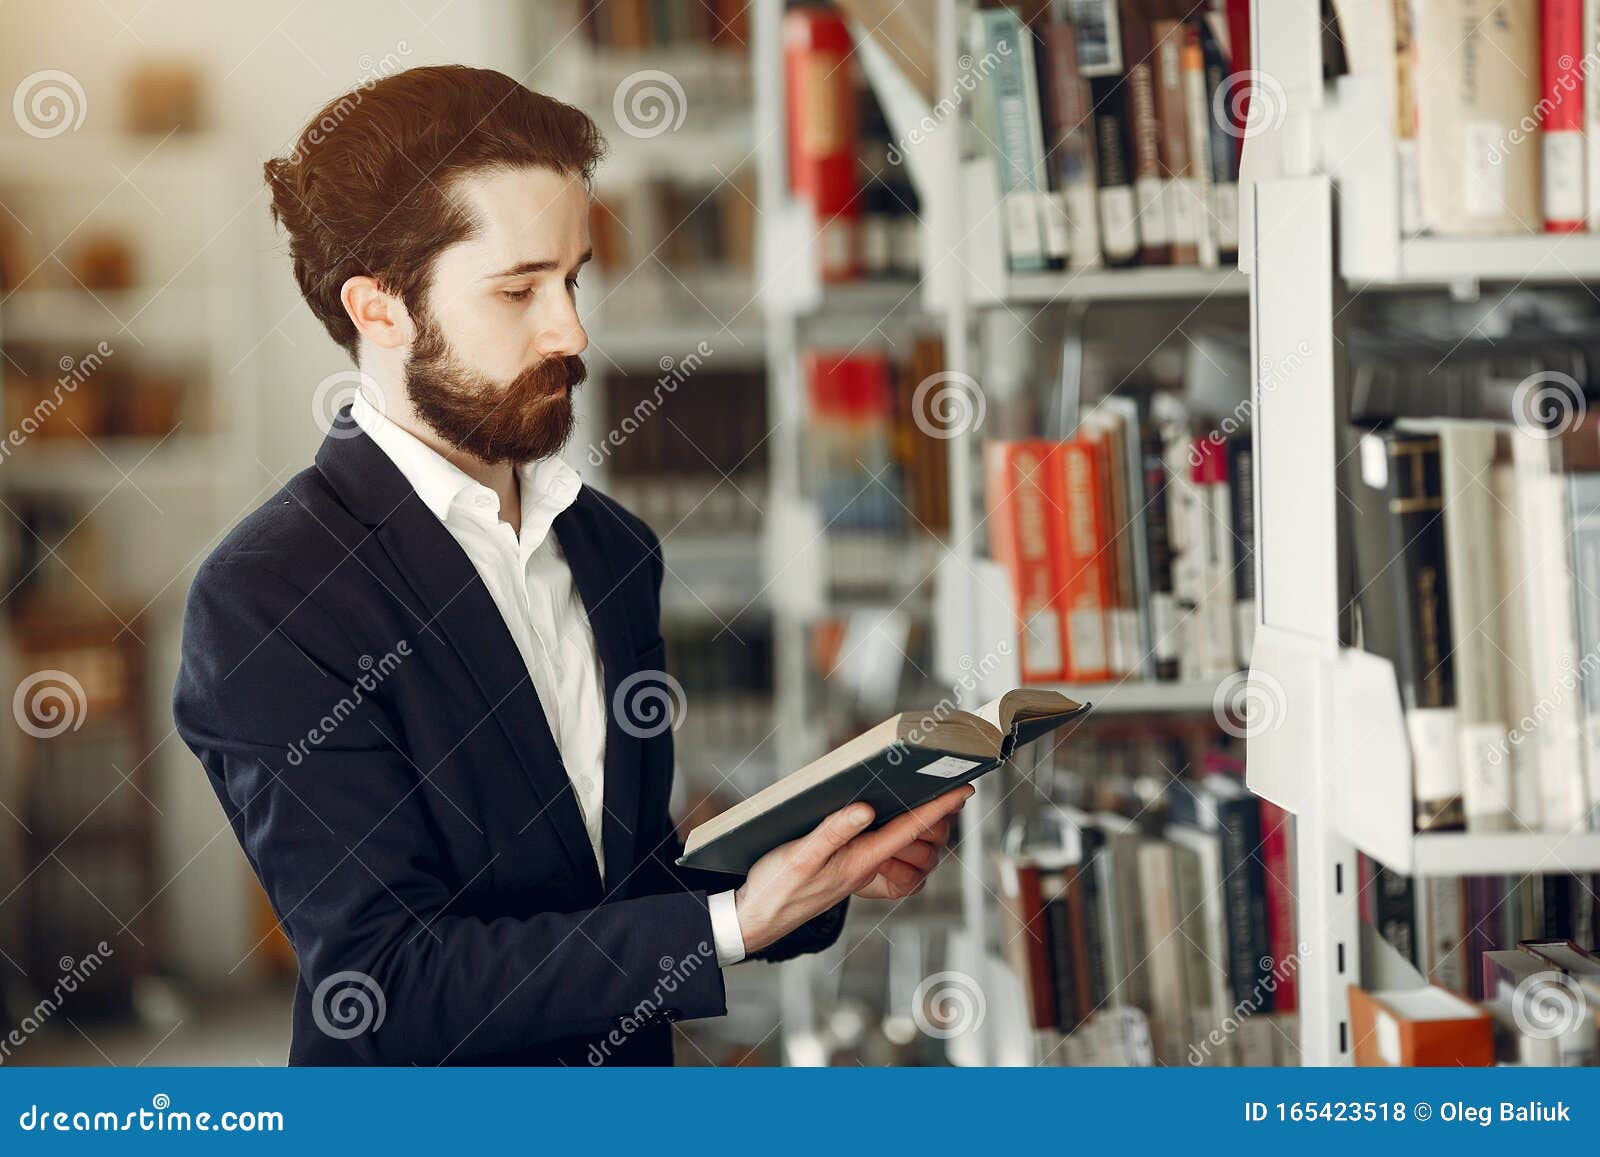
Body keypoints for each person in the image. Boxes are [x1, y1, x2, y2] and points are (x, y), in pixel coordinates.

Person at [172, 65, 970, 1066]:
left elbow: (606, 900)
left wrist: (814, 869)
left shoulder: (609, 548)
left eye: (575, 277)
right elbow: (380, 986)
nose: (572, 331)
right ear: (379, 310)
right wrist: (728, 926)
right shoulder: (269, 595)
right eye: (519, 289)